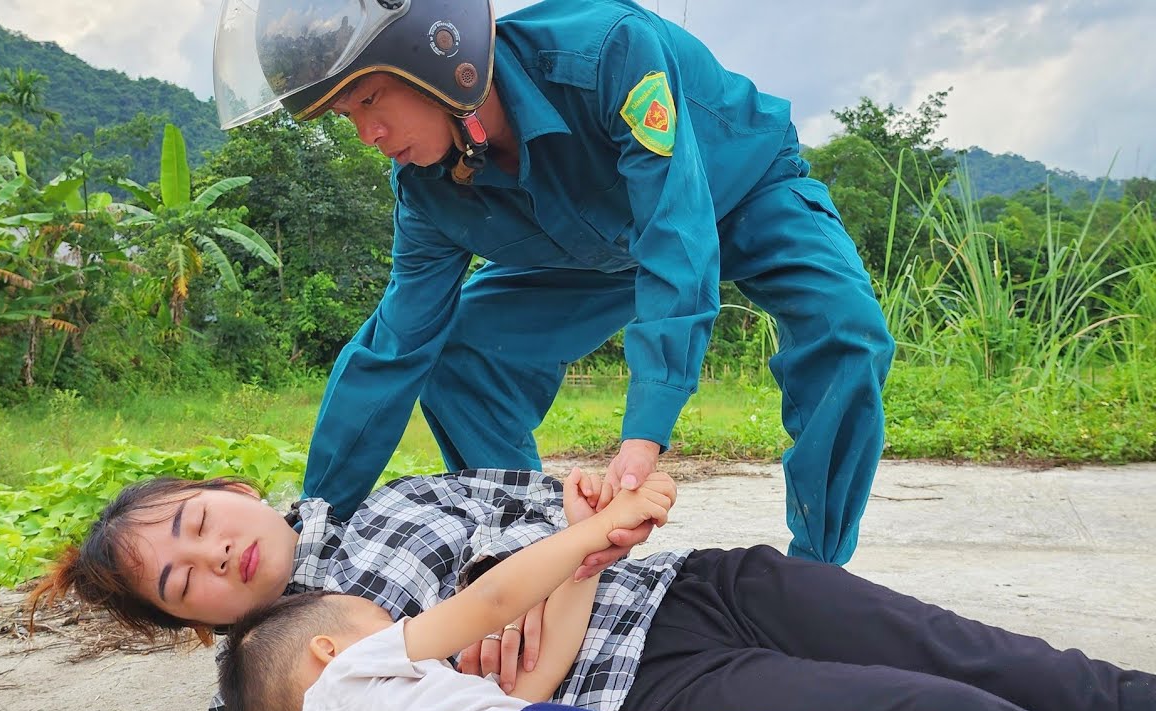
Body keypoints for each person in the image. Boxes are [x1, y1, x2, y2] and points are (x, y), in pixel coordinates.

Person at [212, 0, 896, 566]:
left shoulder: (608, 57)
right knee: (455, 351)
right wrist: (316, 525)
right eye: (345, 117)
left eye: (368, 99)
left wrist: (643, 438)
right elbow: (395, 347)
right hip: (595, 257)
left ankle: (817, 571)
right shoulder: (426, 190)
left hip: (736, 190)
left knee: (846, 330)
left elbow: (675, 235)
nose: (367, 133)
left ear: (438, 54)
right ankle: (545, 555)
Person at [30, 469, 1154, 711]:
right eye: (178, 583)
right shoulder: (271, 690)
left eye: (194, 523)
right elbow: (539, 582)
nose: (210, 555)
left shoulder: (400, 496)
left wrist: (588, 539)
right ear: (196, 629)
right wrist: (550, 576)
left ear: (230, 491)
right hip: (653, 685)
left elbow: (578, 512)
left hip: (711, 587)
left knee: (1028, 672)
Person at [217, 475, 751, 711]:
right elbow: (493, 599)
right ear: (328, 650)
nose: (399, 626)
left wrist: (583, 570)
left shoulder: (433, 693)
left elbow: (538, 679)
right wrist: (595, 530)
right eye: (380, 619)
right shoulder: (352, 673)